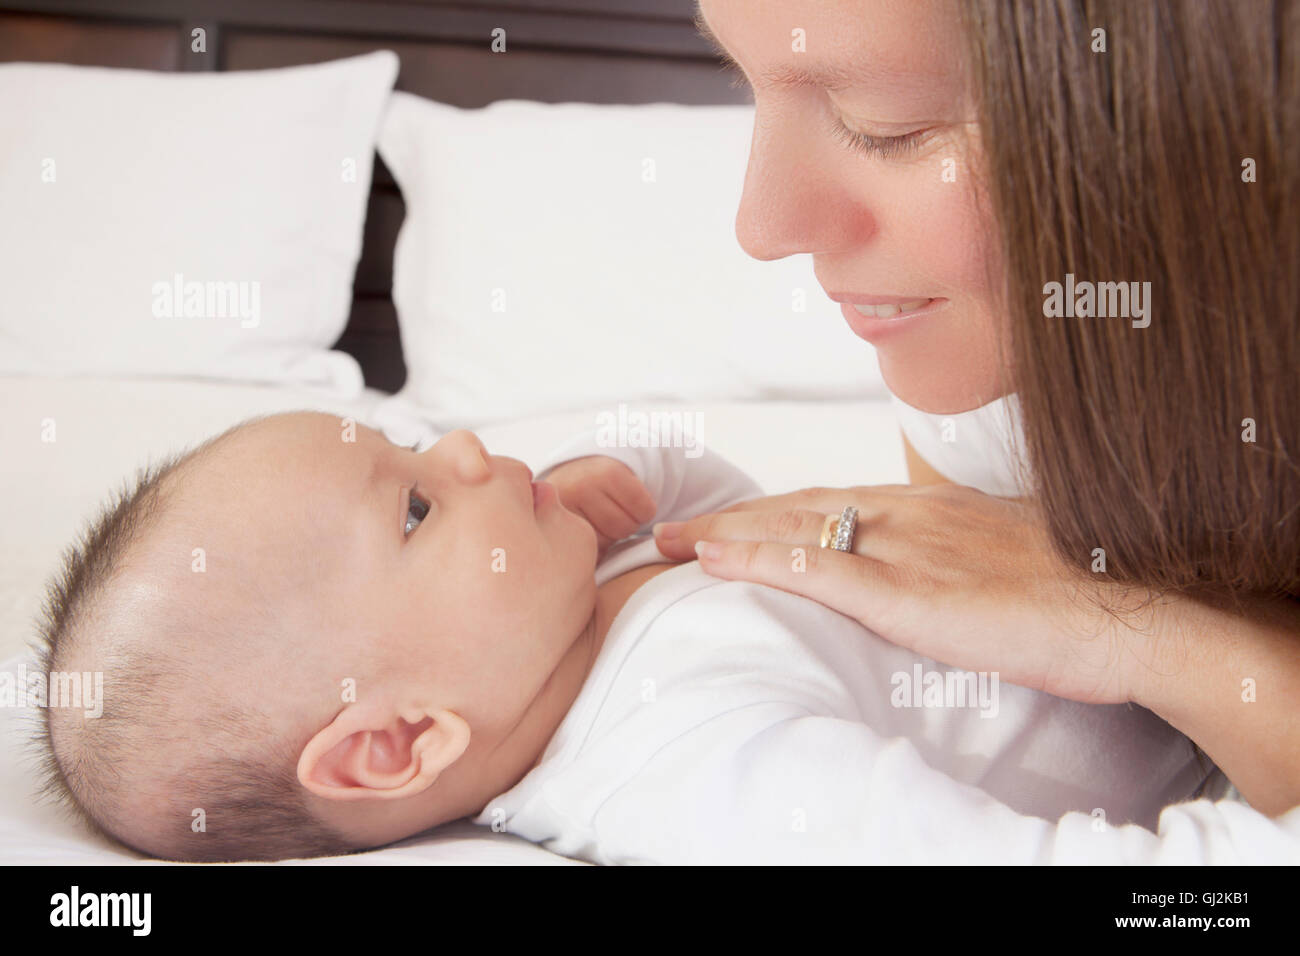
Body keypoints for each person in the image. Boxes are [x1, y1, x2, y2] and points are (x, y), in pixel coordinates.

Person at [651, 0, 1300, 818]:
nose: (761, 226)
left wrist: (1152, 630)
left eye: (882, 126)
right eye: (746, 85)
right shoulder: (975, 391)